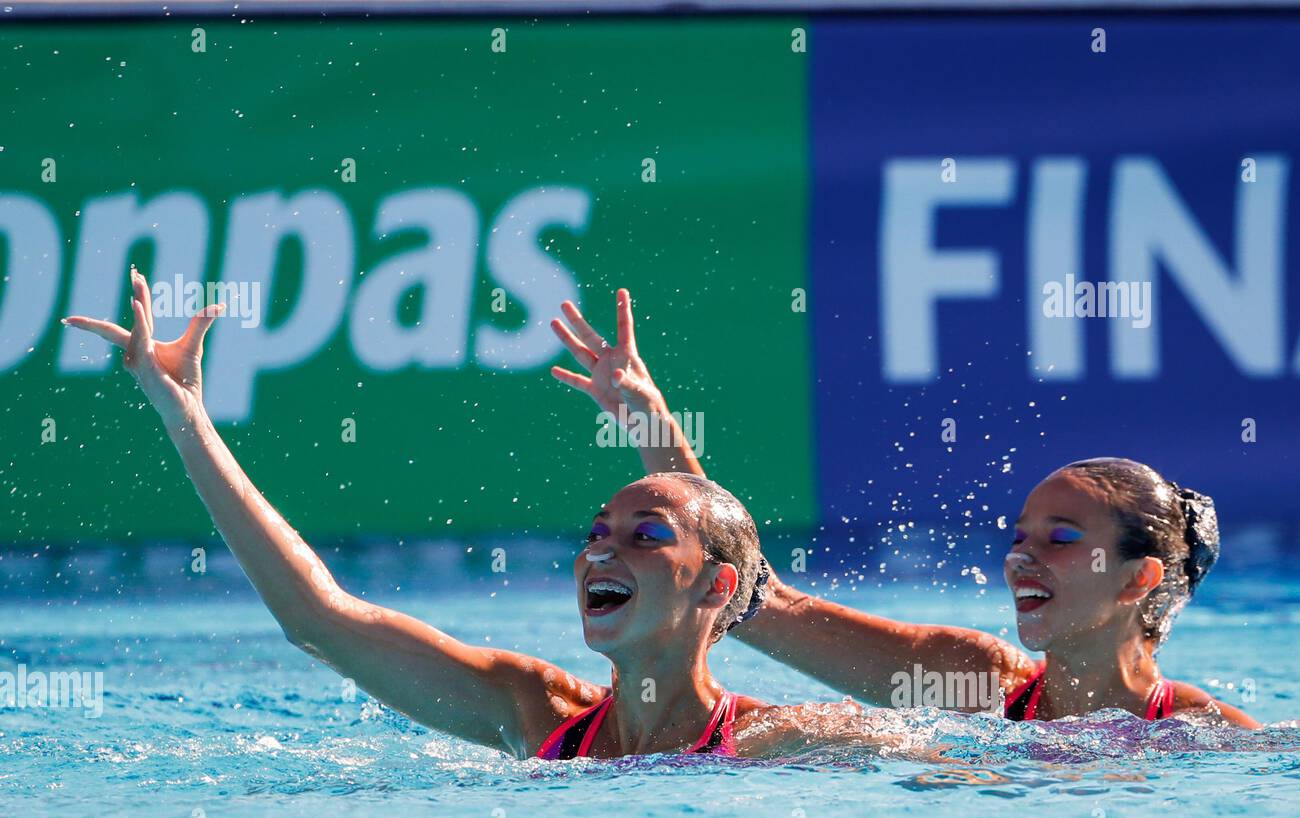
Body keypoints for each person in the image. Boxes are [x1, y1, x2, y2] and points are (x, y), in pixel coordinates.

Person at [63, 269, 890, 761]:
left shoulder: (786, 739)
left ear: (716, 588)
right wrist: (187, 418)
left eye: (644, 539)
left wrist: (653, 424)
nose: (602, 553)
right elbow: (321, 618)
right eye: (596, 534)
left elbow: (959, 769)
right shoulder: (531, 712)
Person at [549, 289, 1260, 728]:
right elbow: (756, 598)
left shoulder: (1203, 734)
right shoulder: (975, 685)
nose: (1020, 556)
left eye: (1062, 538)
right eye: (1019, 536)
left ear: (1139, 577)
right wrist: (650, 422)